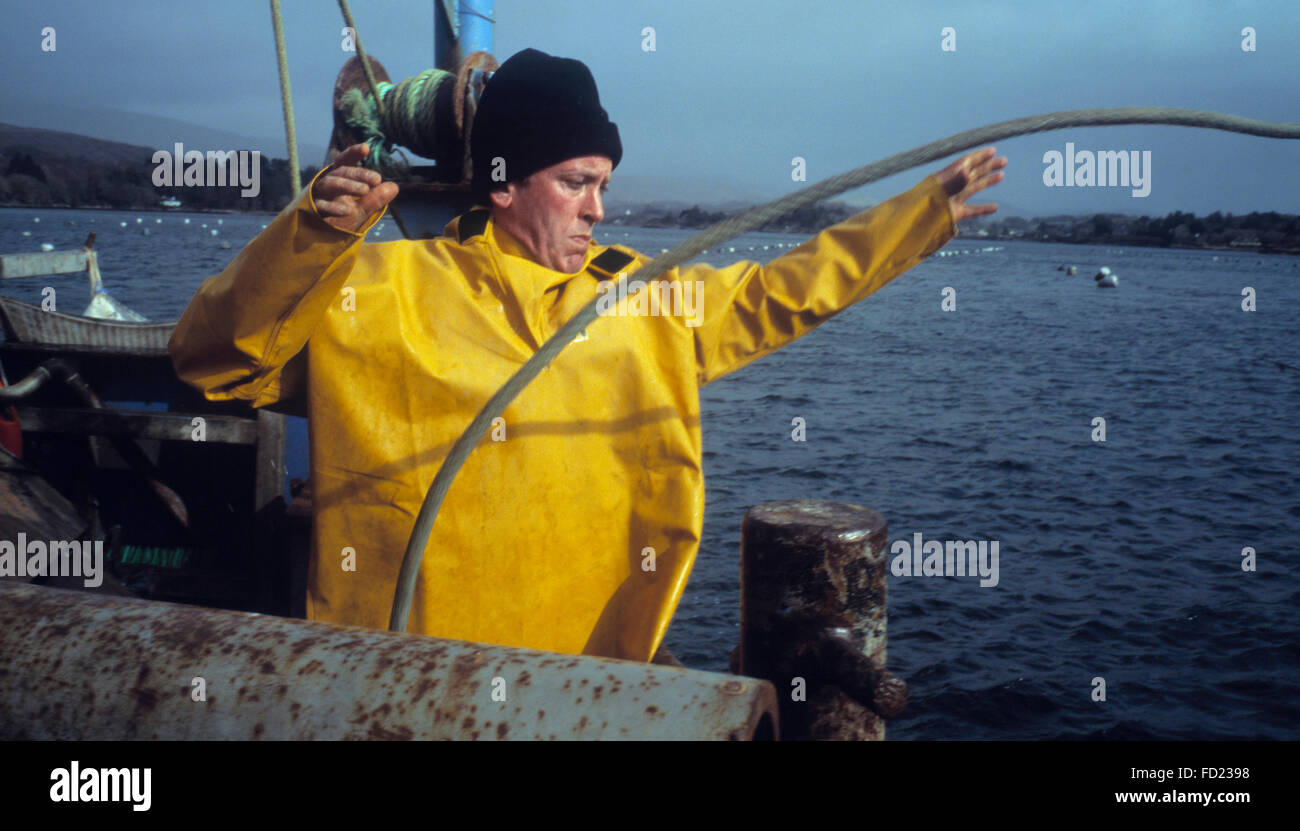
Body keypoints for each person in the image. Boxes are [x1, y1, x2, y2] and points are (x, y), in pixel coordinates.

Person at [168, 48, 1004, 662]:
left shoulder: (641, 300)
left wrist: (921, 215)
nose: (600, 209)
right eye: (577, 181)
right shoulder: (370, 292)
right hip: (400, 687)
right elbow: (211, 361)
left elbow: (781, 290)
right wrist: (312, 236)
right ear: (503, 183)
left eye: (604, 183)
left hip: (595, 688)